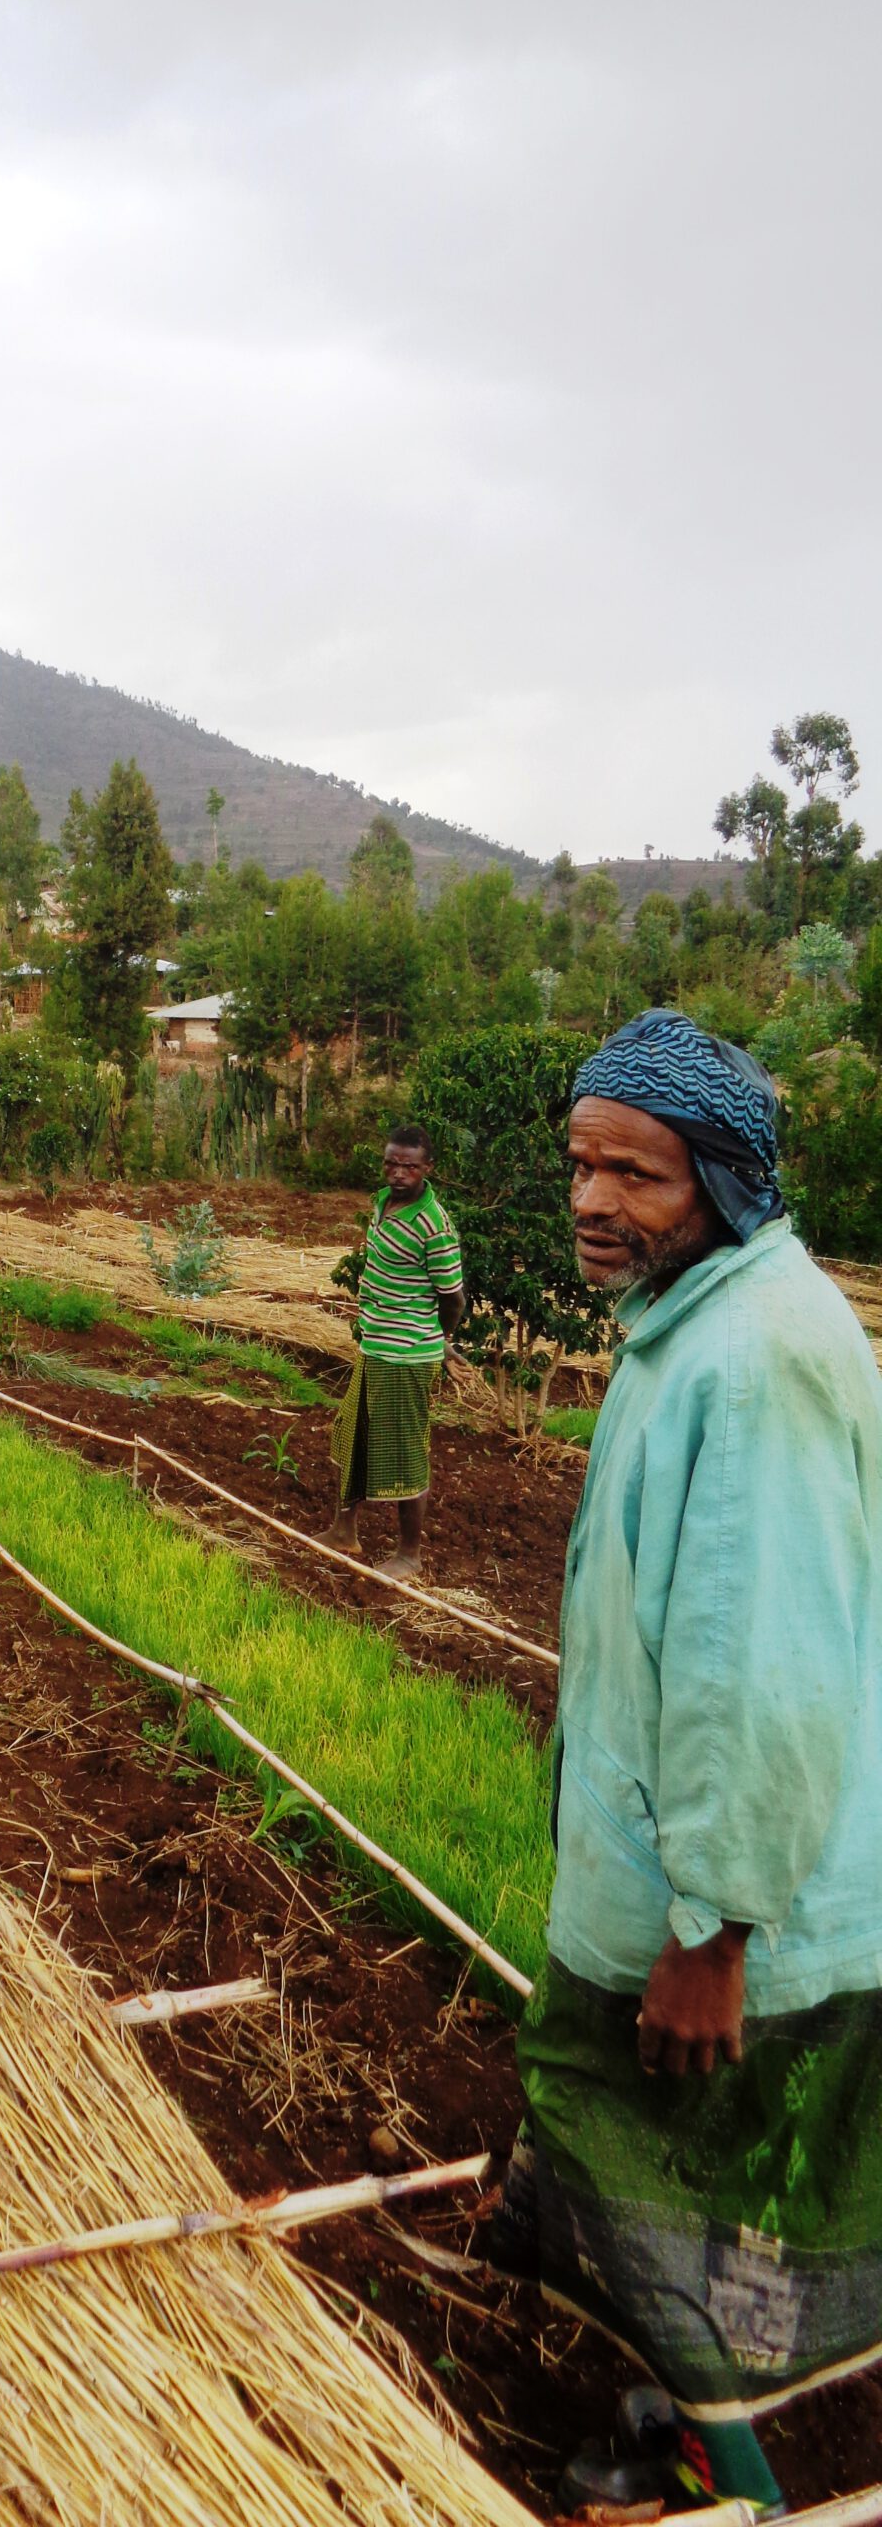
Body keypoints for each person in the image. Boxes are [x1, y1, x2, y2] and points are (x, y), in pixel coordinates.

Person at [492, 1009, 882, 2521]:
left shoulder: (752, 1364)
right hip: (681, 1886)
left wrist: (713, 1926)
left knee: (675, 2183)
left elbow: (754, 1670)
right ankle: (676, 2419)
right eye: (582, 1166)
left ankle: (738, 2473)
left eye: (638, 1175)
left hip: (730, 1917)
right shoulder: (705, 1322)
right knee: (685, 2198)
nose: (594, 1203)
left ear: (724, 1179)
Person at [329, 1124, 465, 1582]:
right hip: (374, 1345)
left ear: (428, 1169)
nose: (398, 1171)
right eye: (391, 1162)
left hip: (407, 1356)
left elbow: (453, 1298)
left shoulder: (434, 1224)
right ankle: (344, 1530)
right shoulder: (383, 1203)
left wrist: (438, 1341)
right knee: (356, 1436)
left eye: (409, 1165)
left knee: (406, 1454)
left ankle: (410, 1555)